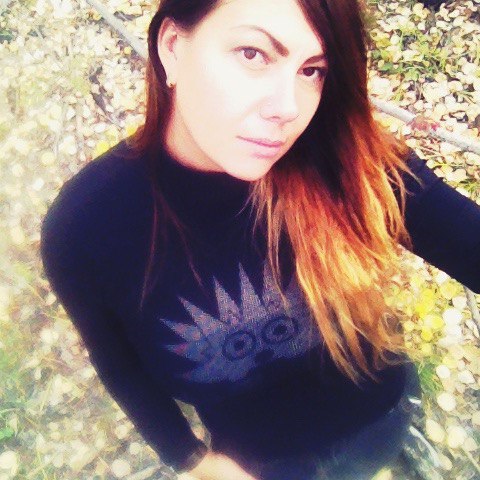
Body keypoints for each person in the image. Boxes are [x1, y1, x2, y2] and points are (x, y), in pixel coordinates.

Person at [40, 0, 480, 479]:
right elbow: (118, 361)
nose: (287, 109)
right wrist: (189, 458)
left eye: (312, 70)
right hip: (258, 465)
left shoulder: (353, 164)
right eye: (253, 54)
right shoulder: (84, 227)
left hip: (383, 418)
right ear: (172, 47)